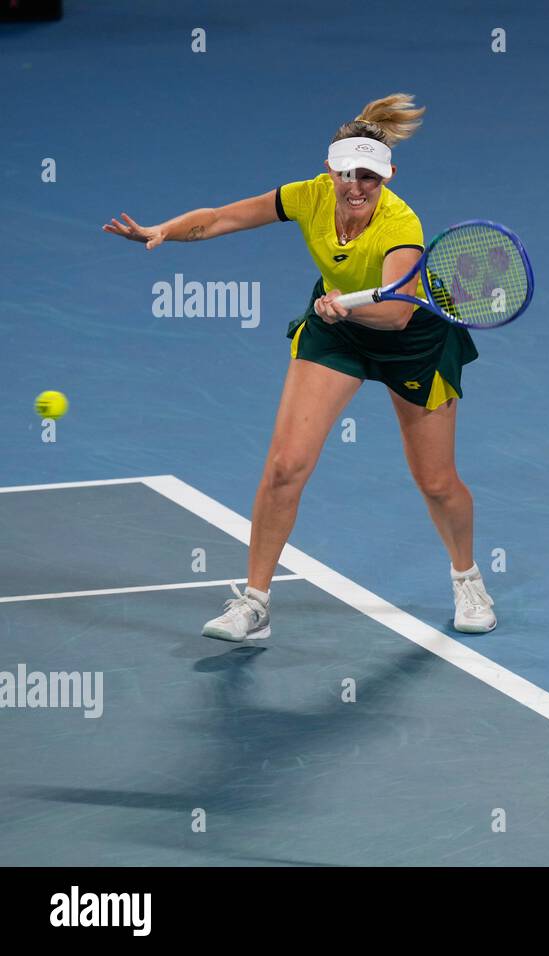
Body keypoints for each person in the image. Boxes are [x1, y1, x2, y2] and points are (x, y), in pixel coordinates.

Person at [103, 93, 496, 639]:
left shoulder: (401, 226)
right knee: (286, 465)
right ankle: (256, 603)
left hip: (411, 342)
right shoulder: (308, 197)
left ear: (388, 176)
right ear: (329, 171)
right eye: (346, 174)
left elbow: (397, 315)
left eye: (369, 177)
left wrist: (347, 304)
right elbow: (220, 218)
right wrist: (164, 231)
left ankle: (467, 577)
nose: (356, 186)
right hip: (336, 334)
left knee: (435, 481)